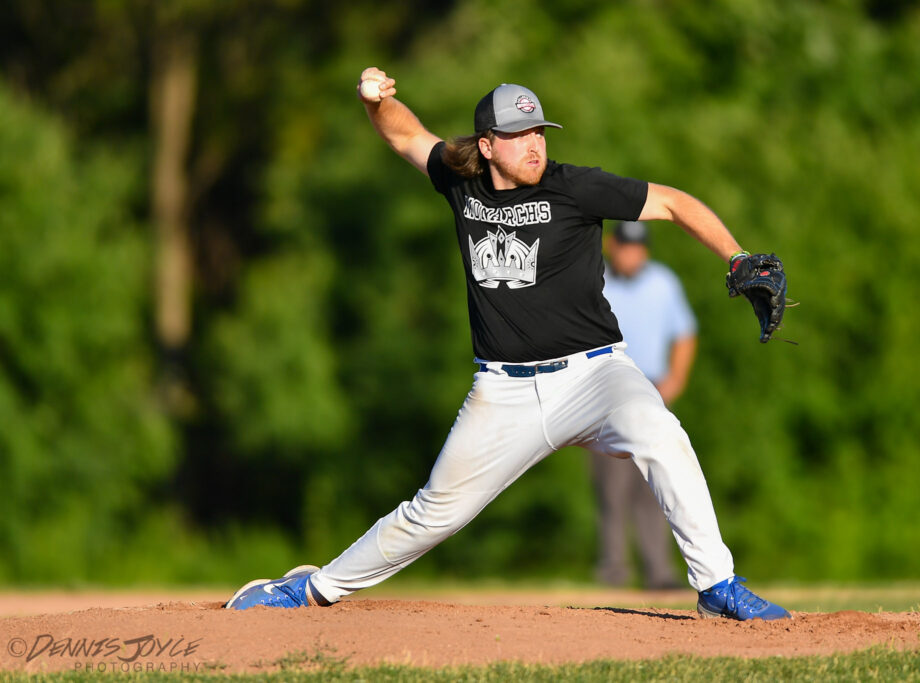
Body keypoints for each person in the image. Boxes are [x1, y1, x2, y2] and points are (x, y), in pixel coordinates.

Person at [224, 67, 791, 621]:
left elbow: (671, 201)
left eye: (539, 132)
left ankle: (717, 584)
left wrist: (737, 256)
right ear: (488, 145)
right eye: (519, 136)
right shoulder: (458, 179)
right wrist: (375, 102)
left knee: (661, 433)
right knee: (433, 515)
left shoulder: (574, 187)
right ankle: (311, 589)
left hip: (596, 376)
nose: (534, 145)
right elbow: (404, 134)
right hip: (503, 390)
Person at [592, 219, 697, 590]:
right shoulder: (596, 279)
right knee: (611, 488)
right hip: (605, 390)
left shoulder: (663, 282)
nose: (631, 255)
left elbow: (684, 332)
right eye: (625, 247)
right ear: (611, 246)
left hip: (651, 389)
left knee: (658, 482)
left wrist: (677, 378)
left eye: (638, 248)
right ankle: (614, 570)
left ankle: (659, 572)